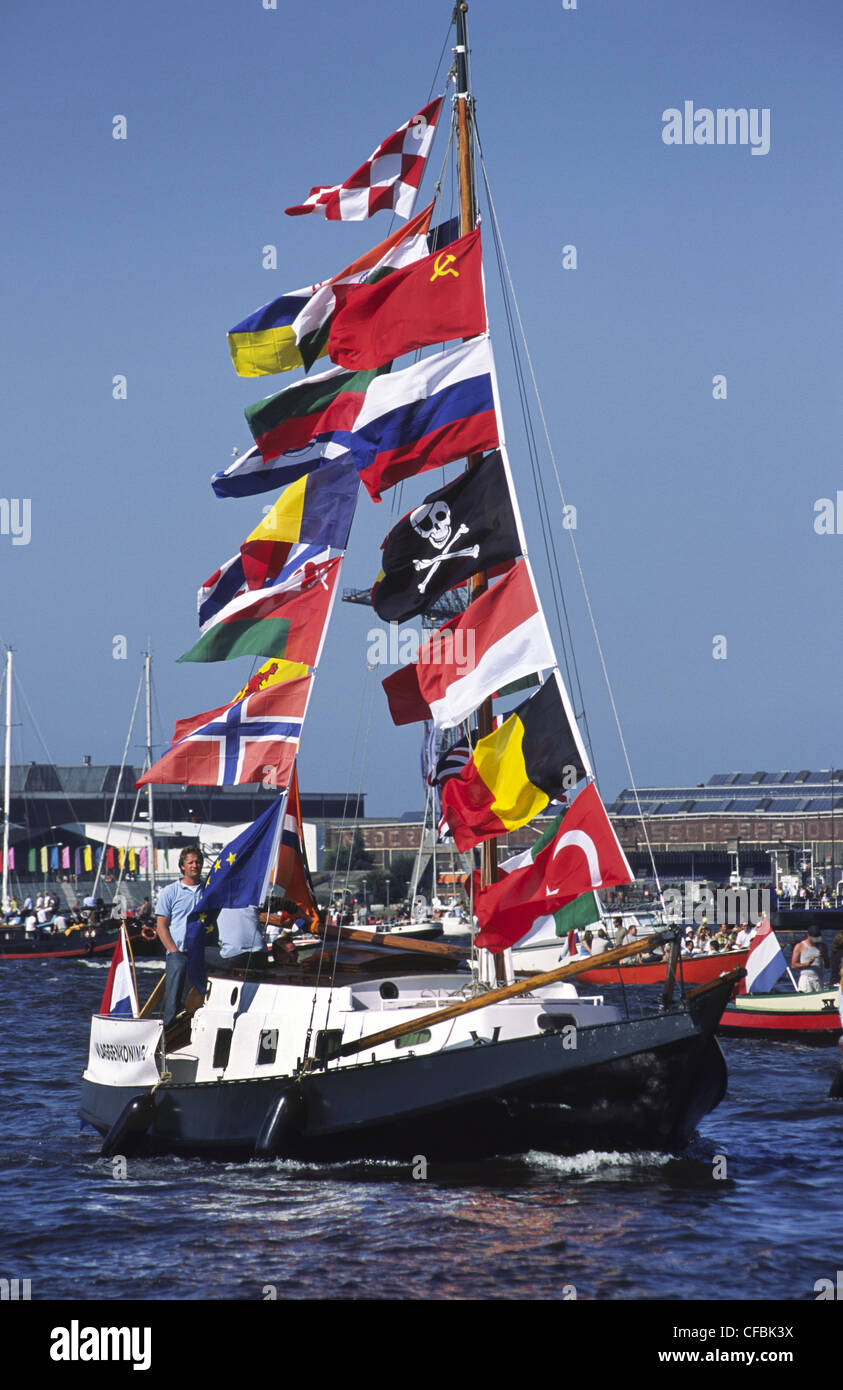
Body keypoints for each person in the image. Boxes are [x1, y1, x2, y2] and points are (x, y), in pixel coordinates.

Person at [155, 845, 205, 1028]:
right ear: (182, 866)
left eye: (198, 862)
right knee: (173, 999)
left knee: (197, 997)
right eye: (190, 862)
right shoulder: (170, 892)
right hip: (178, 952)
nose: (195, 865)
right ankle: (167, 1033)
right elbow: (161, 926)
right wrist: (174, 951)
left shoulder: (207, 891)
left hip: (200, 953)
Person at [791, 928, 828, 994]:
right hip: (806, 979)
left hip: (819, 978)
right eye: (814, 938)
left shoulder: (822, 946)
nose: (816, 941)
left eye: (817, 938)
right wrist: (807, 964)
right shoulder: (800, 946)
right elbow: (793, 965)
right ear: (808, 936)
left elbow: (827, 965)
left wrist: (824, 957)